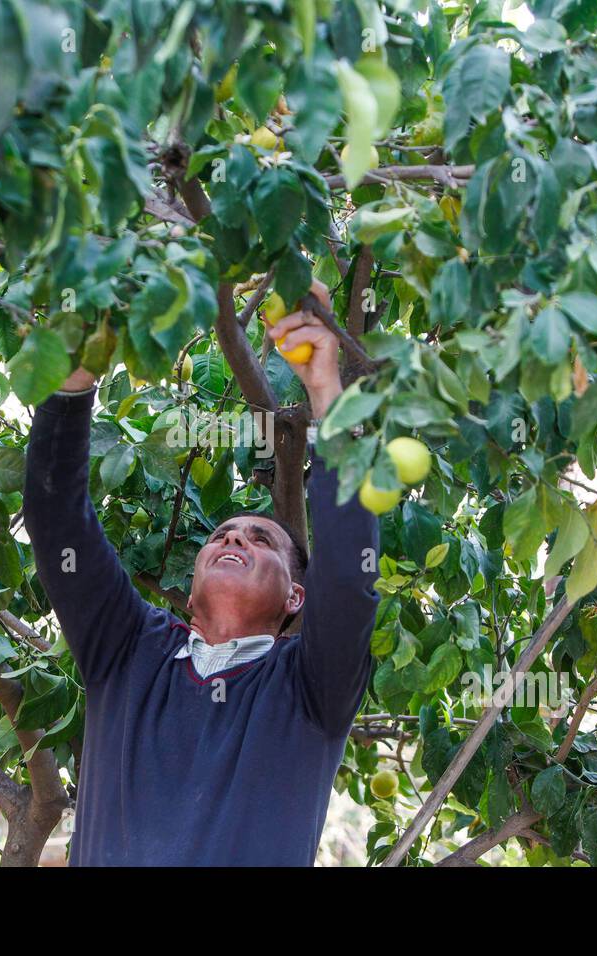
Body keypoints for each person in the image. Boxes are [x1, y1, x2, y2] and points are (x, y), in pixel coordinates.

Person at [22, 285, 380, 865]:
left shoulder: (310, 689)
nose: (234, 537)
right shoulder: (128, 649)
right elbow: (55, 516)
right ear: (188, 592)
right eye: (220, 536)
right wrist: (72, 382)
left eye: (261, 539)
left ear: (296, 597)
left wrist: (325, 390)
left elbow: (350, 573)